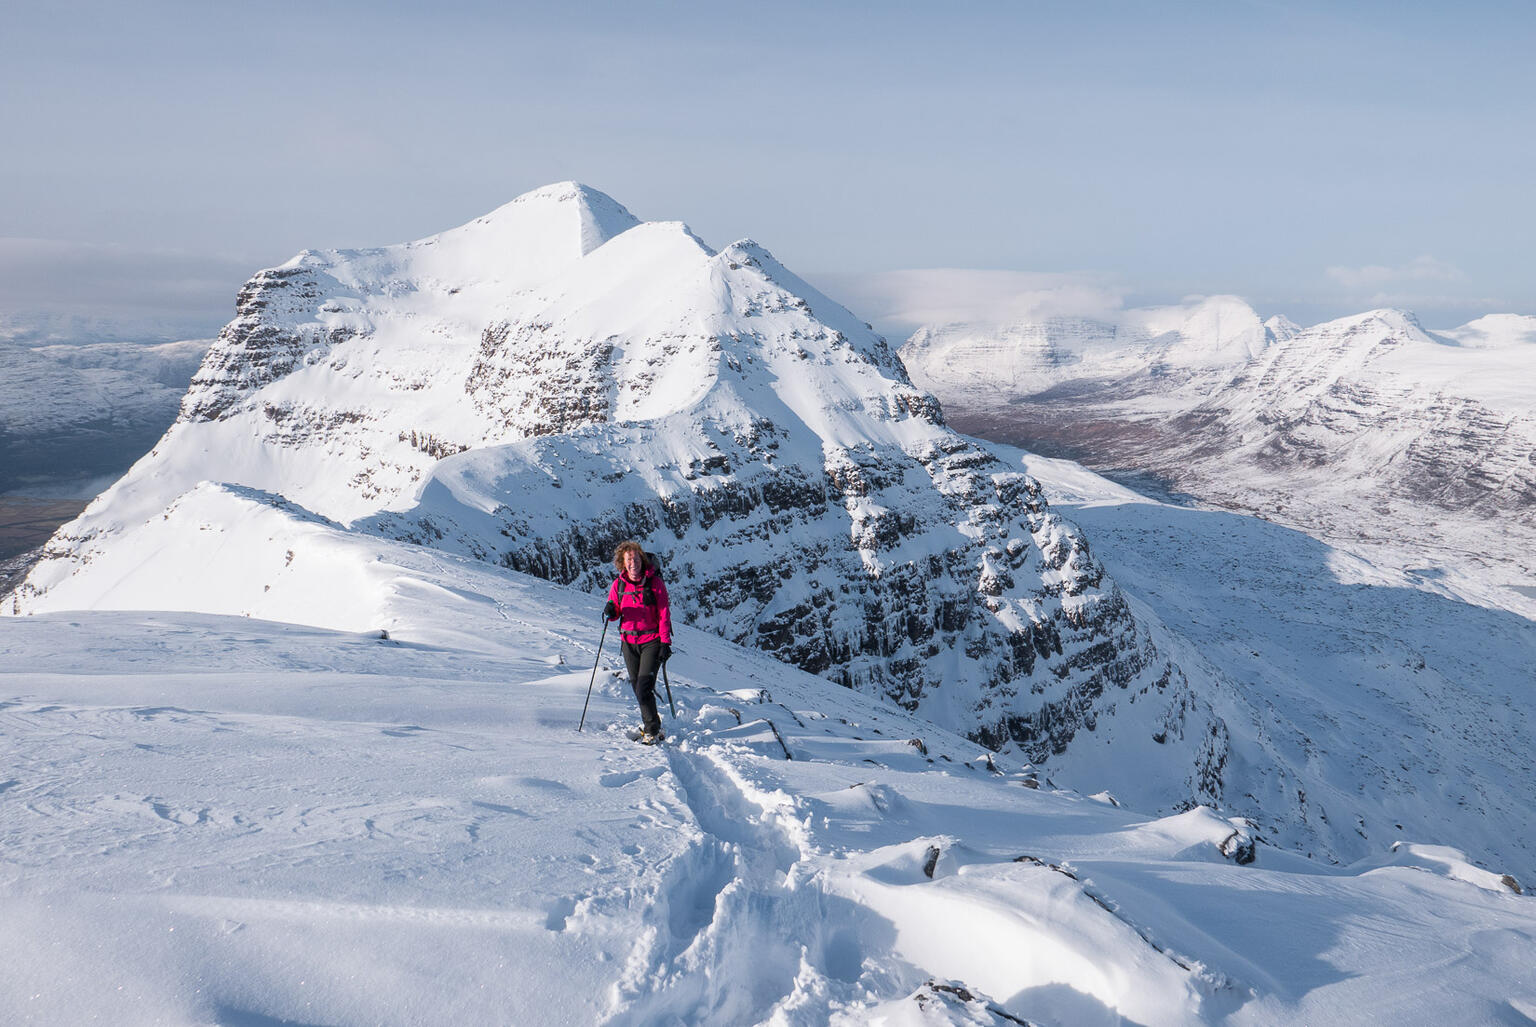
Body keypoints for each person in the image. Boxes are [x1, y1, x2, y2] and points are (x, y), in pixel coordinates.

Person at [603, 541, 672, 743]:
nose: (633, 562)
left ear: (641, 560)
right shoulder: (619, 585)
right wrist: (610, 611)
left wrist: (665, 643)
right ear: (622, 563)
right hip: (628, 642)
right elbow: (615, 611)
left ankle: (651, 730)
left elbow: (664, 613)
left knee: (643, 687)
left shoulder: (655, 583)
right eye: (628, 559)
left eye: (635, 558)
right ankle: (653, 727)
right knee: (638, 688)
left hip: (652, 641)